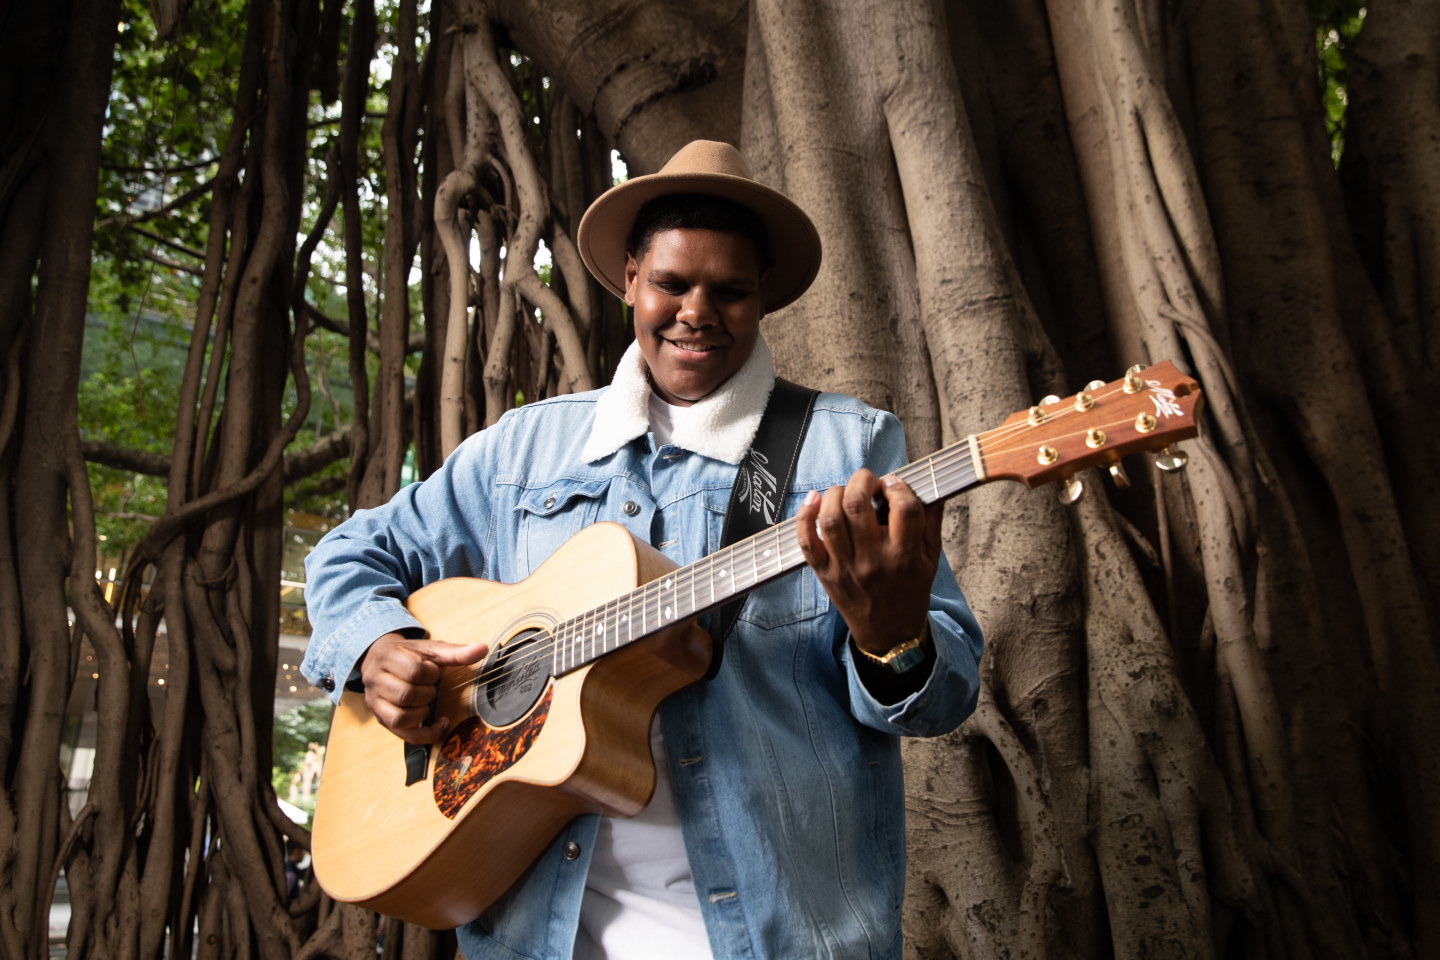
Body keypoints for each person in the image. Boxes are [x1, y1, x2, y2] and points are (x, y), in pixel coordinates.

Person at [301, 140, 983, 959]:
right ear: (630, 278)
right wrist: (381, 644)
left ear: (763, 296)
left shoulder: (849, 452)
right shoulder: (526, 451)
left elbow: (941, 699)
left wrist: (892, 636)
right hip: (537, 939)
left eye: (730, 291)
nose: (698, 311)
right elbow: (348, 556)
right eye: (671, 283)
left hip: (778, 938)